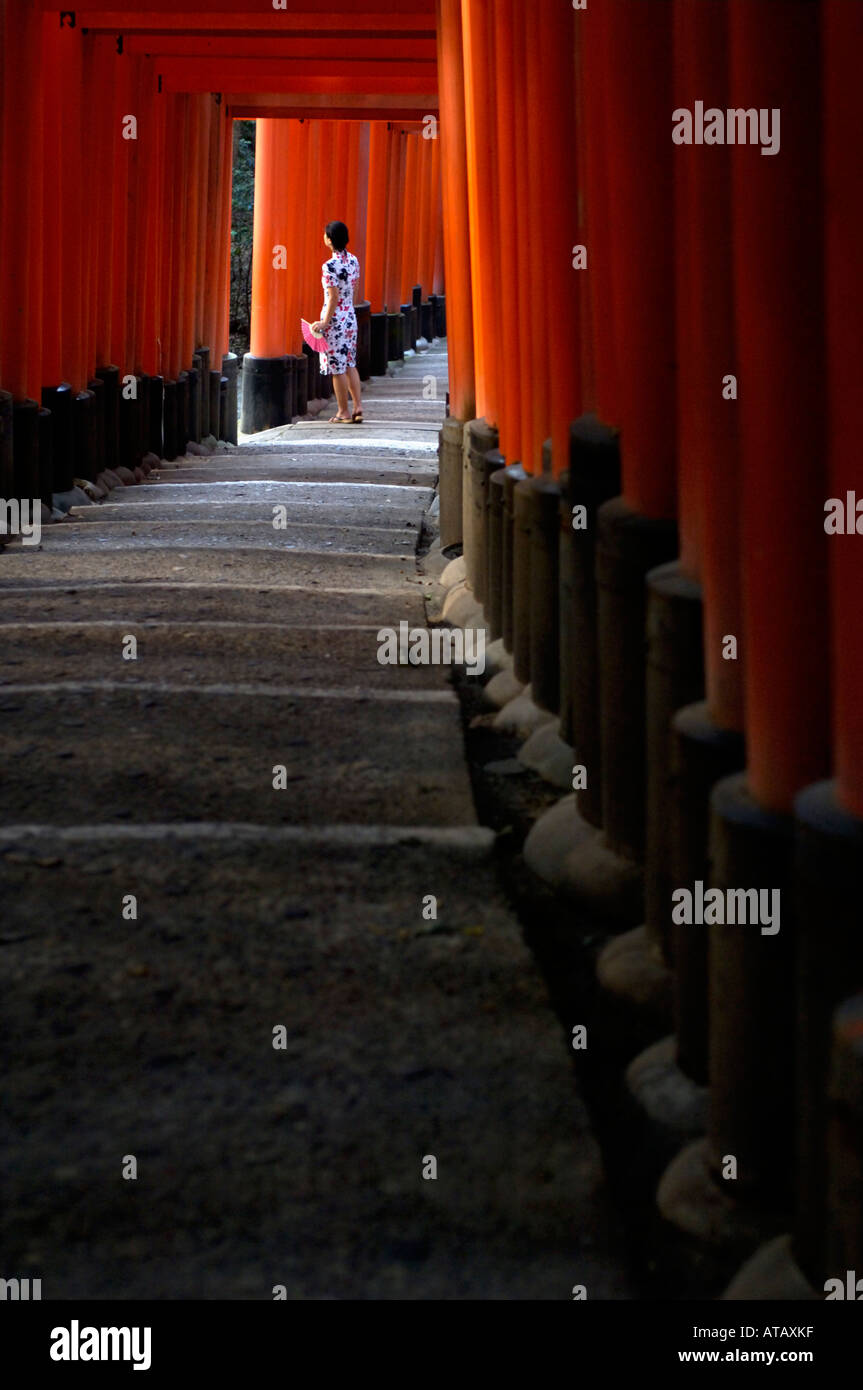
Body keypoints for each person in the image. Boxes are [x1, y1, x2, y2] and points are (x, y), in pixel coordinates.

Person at [311, 221, 363, 424]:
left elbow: (332, 297)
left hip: (335, 321)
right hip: (350, 317)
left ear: (330, 239)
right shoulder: (353, 261)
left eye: (325, 235)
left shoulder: (329, 266)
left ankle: (343, 411)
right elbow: (354, 290)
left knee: (337, 368)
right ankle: (358, 406)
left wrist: (324, 322)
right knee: (350, 363)